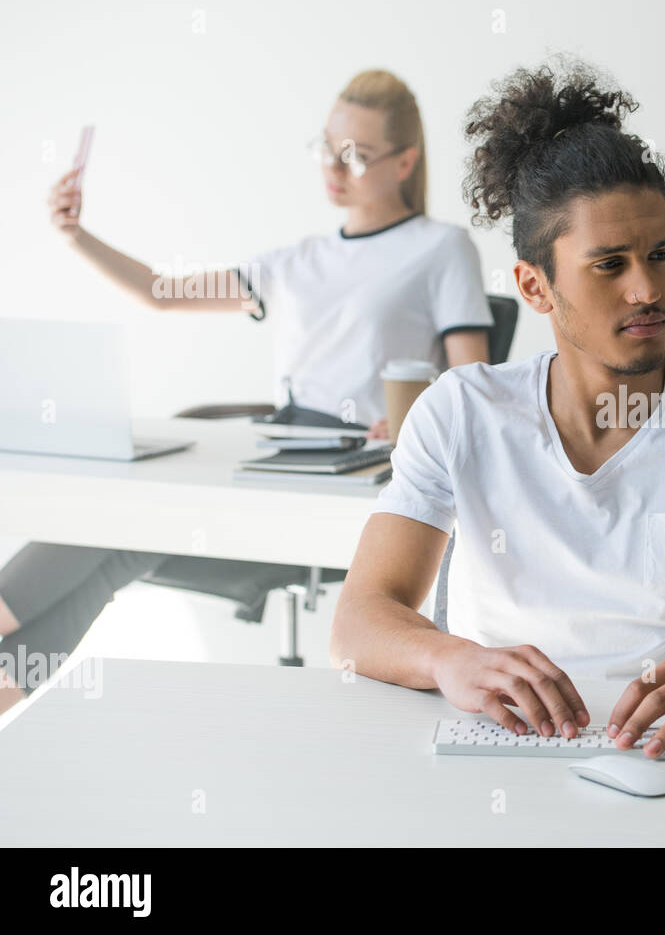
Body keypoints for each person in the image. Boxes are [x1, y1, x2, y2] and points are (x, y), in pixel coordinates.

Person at [330, 58, 665, 759]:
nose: (647, 288)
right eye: (609, 264)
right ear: (534, 286)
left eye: (661, 253)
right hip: (498, 755)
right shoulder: (462, 413)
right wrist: (450, 660)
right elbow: (357, 621)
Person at [0, 70, 493, 713]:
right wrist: (75, 235)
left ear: (405, 161)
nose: (333, 167)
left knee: (120, 529)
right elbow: (162, 292)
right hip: (282, 456)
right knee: (117, 528)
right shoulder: (297, 261)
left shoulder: (439, 248)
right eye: (326, 146)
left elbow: (470, 385)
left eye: (356, 155)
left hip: (354, 478)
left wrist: (414, 423)